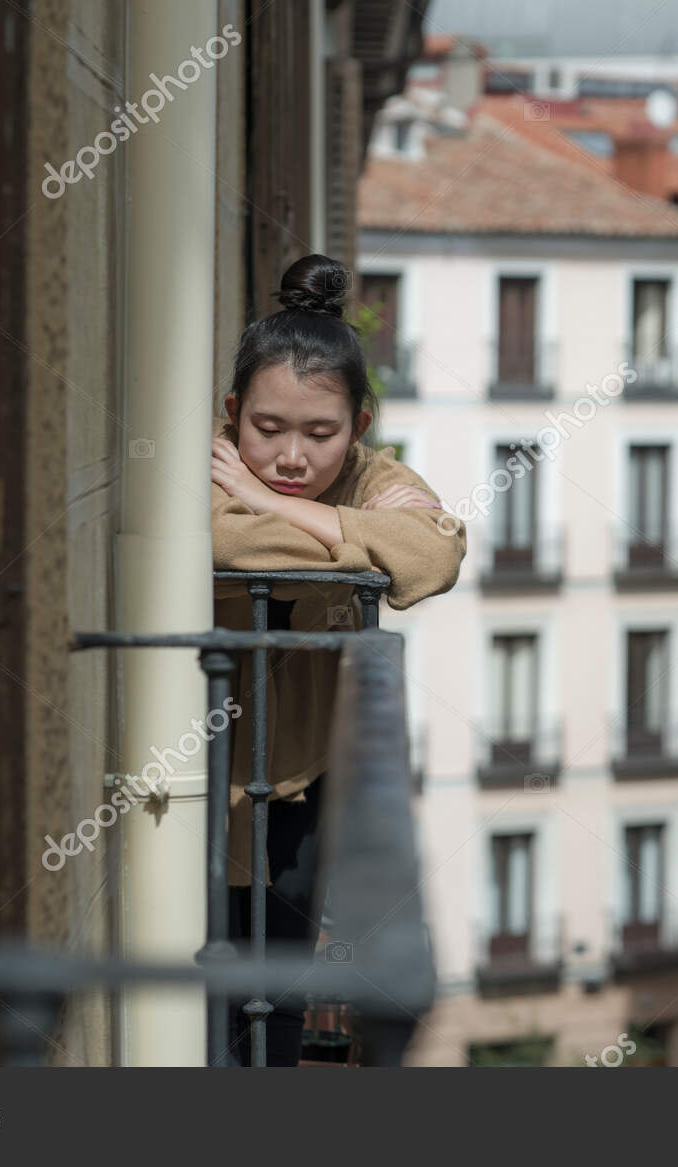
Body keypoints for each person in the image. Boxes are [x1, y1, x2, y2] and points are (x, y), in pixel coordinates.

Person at [209, 253, 465, 1065]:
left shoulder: (370, 477)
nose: (291, 458)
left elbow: (431, 556)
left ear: (358, 426)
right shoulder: (206, 469)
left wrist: (271, 507)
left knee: (276, 990)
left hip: (305, 785)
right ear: (232, 413)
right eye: (267, 429)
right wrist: (338, 537)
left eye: (320, 434)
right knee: (213, 992)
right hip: (200, 784)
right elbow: (220, 538)